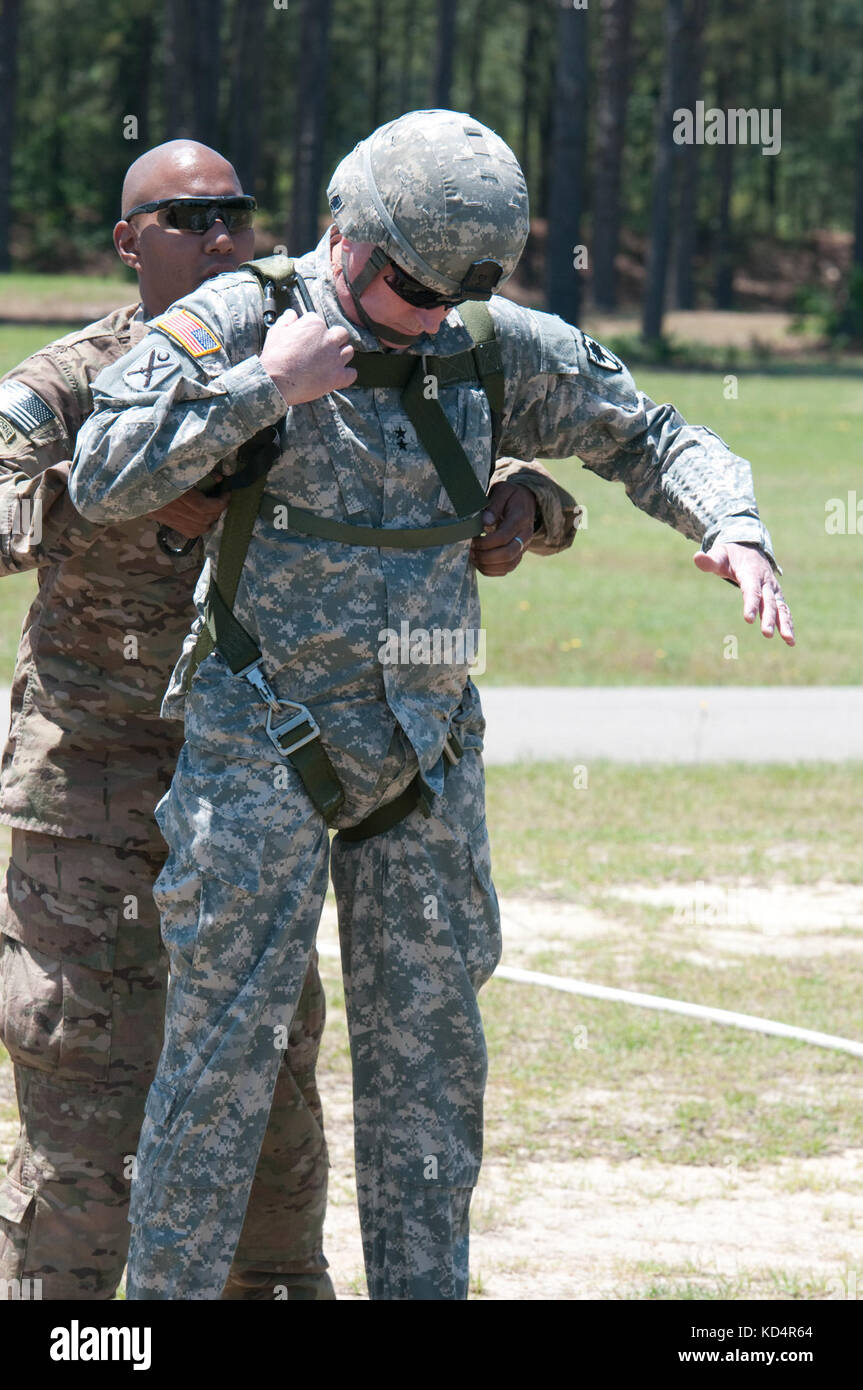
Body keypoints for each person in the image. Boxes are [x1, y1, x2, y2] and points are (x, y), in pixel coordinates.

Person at [69, 109, 793, 1301]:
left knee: (429, 1088)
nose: (427, 311)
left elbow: (647, 434)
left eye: (459, 291)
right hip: (260, 757)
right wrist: (264, 388)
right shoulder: (241, 319)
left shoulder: (485, 345)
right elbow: (103, 476)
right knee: (213, 1083)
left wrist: (730, 522)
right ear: (347, 235)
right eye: (409, 284)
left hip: (424, 765)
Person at [0, 139, 337, 1300]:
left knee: (272, 1103)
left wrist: (521, 509)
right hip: (91, 794)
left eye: (236, 215)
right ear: (128, 242)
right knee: (88, 1108)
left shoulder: (300, 361)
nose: (223, 238)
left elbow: (450, 458)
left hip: (249, 795)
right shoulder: (76, 378)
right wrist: (114, 495)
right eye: (190, 217)